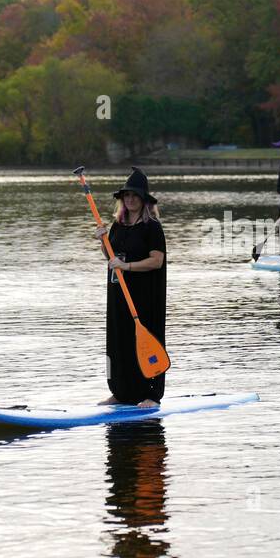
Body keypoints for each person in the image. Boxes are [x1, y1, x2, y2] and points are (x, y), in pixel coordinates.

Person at [95, 168, 167, 407]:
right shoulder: (118, 225)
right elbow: (112, 257)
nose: (130, 199)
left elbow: (157, 261)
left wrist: (126, 266)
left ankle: (151, 395)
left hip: (145, 295)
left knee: (146, 340)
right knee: (119, 340)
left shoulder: (152, 227)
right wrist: (103, 242)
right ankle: (122, 392)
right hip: (118, 294)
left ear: (144, 199)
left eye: (135, 195)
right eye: (126, 195)